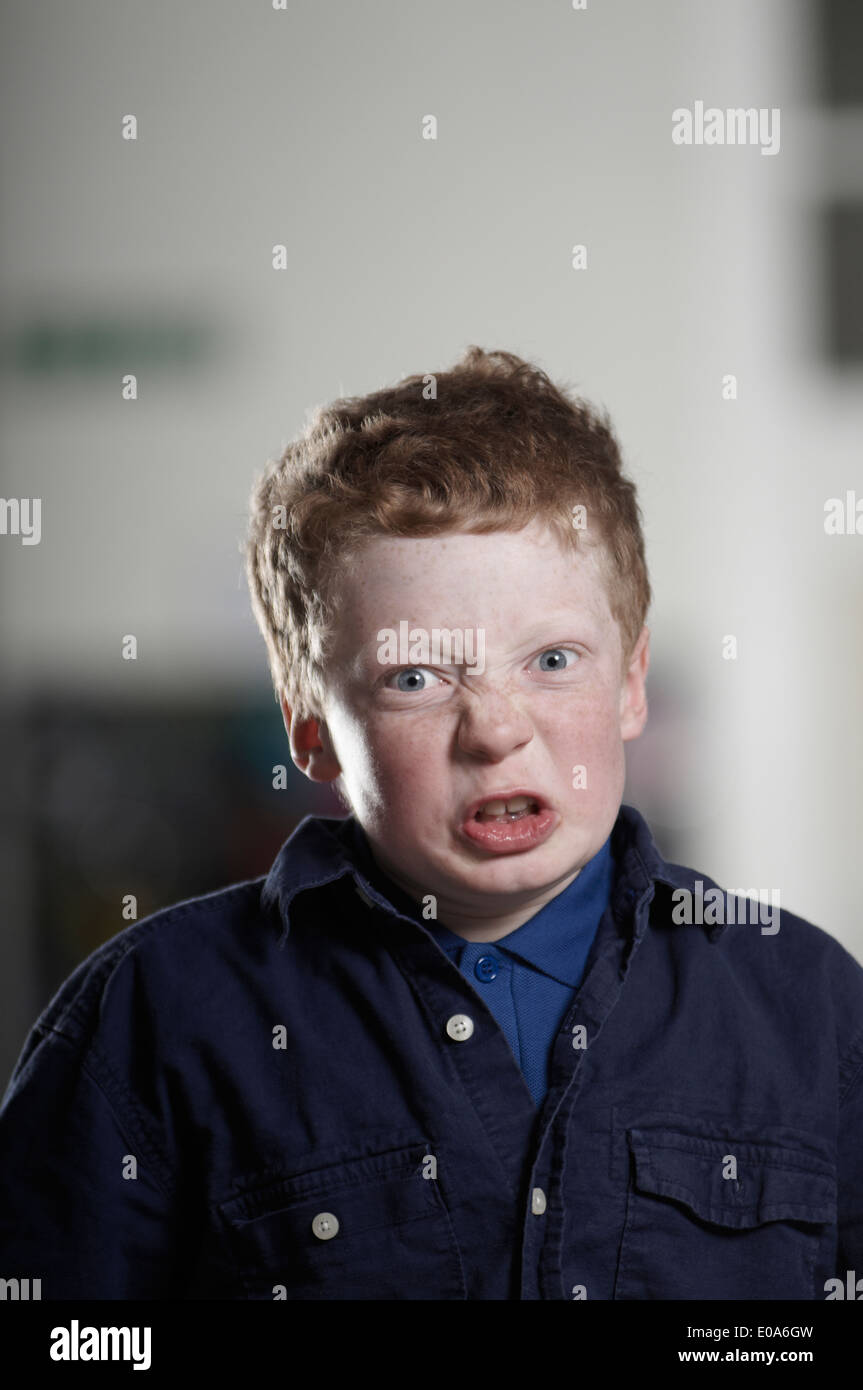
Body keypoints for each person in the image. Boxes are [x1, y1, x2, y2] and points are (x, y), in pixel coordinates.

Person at [1, 346, 861, 1300]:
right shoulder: (153, 1018)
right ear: (314, 733)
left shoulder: (811, 1007)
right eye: (415, 679)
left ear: (630, 682)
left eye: (552, 660)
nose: (495, 730)